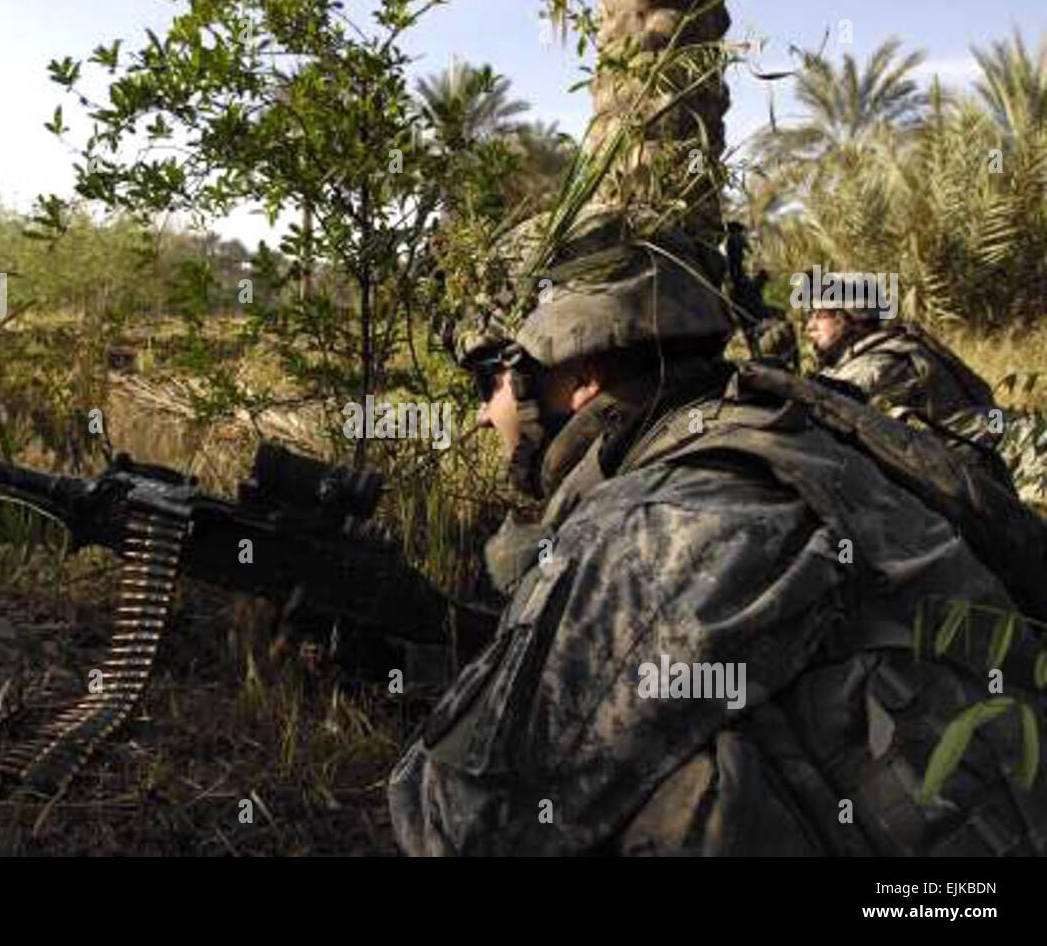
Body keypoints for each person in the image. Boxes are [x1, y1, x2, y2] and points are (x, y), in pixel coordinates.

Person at [388, 214, 1047, 856]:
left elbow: (459, 825)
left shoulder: (654, 523)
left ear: (579, 372)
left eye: (488, 381)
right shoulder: (790, 429)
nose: (481, 414)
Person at [802, 278, 998, 446]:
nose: (810, 326)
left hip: (1004, 456)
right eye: (809, 316)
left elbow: (820, 404)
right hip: (989, 441)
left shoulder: (878, 364)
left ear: (853, 316)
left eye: (821, 315)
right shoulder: (893, 344)